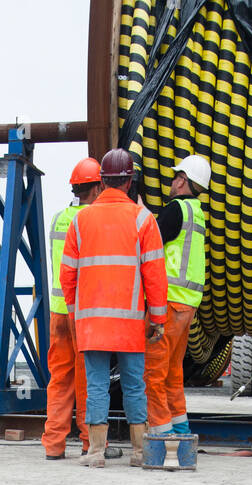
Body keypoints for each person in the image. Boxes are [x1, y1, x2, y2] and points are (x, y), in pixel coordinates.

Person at [59, 148, 168, 468]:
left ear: (102, 180)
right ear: (130, 179)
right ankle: (138, 452)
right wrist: (158, 318)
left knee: (95, 386)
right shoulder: (143, 219)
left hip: (92, 323)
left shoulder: (81, 220)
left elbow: (68, 274)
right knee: (135, 385)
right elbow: (155, 274)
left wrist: (73, 312)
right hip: (130, 324)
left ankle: (95, 453)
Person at [42, 158, 110, 461]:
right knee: (87, 378)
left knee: (59, 379)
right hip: (83, 313)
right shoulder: (95, 219)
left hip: (58, 310)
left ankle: (53, 444)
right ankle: (88, 441)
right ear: (97, 186)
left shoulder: (59, 218)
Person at [145, 154, 210, 443]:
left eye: (175, 177)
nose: (171, 183)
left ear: (183, 180)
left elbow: (150, 243)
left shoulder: (176, 209)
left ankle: (162, 435)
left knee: (153, 373)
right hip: (188, 306)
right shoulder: (197, 212)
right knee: (172, 373)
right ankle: (181, 429)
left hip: (168, 304)